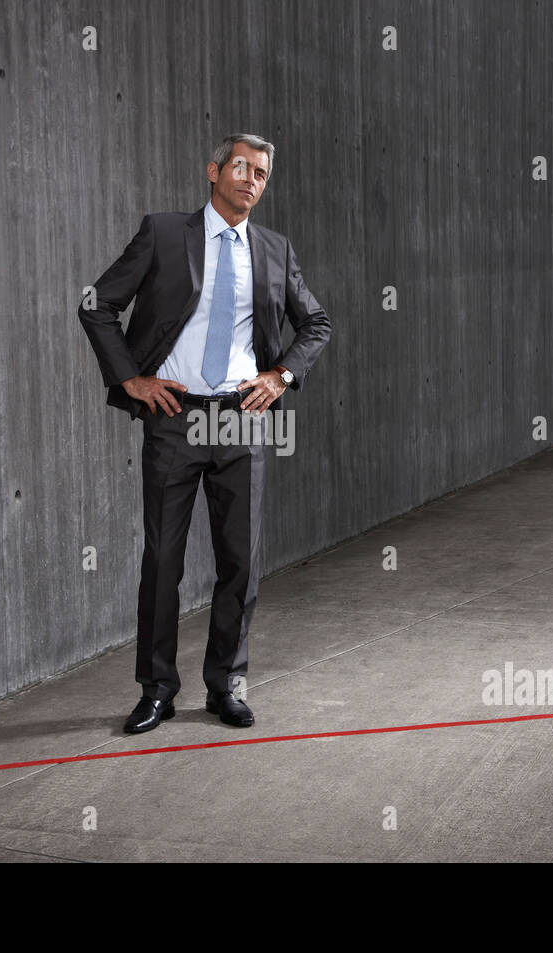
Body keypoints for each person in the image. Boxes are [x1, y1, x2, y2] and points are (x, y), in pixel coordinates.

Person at [78, 133, 331, 733]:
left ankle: (226, 685)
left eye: (263, 174)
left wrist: (283, 374)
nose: (251, 180)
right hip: (176, 416)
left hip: (240, 418)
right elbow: (96, 303)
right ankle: (157, 689)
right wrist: (132, 379)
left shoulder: (274, 248)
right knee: (163, 559)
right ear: (214, 171)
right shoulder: (165, 234)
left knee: (239, 562)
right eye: (242, 167)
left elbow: (316, 321)